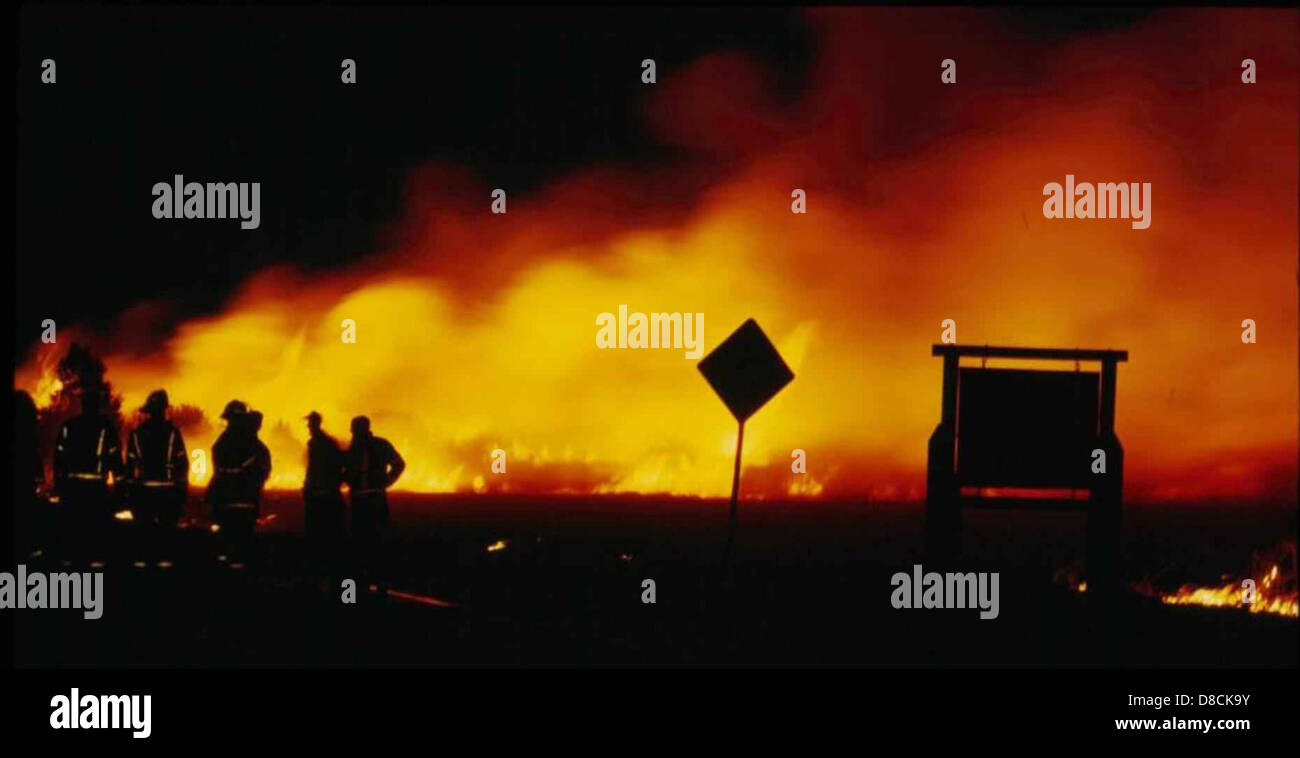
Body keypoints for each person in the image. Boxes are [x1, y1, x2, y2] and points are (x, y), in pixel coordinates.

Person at [52, 388, 123, 553]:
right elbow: (116, 461)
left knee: (74, 538)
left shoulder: (68, 427)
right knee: (95, 538)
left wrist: (59, 486)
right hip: (96, 492)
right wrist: (120, 491)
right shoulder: (106, 428)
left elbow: (59, 460)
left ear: (83, 405)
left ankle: (75, 571)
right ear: (98, 405)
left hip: (72, 491)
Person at [206, 400, 271, 539]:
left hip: (226, 502)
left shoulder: (222, 443)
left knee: (226, 541)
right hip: (246, 502)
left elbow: (219, 471)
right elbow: (264, 470)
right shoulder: (256, 445)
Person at [126, 389, 189, 529]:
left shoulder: (137, 434)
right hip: (168, 495)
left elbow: (129, 466)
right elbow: (182, 464)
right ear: (164, 409)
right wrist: (182, 492)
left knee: (145, 538)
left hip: (143, 494)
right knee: (166, 538)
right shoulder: (173, 433)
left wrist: (129, 492)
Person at [343, 416, 405, 547]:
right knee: (360, 537)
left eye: (354, 430)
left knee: (376, 536)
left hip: (374, 498)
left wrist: (386, 482)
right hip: (359, 498)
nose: (353, 433)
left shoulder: (380, 445)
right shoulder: (354, 448)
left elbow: (399, 464)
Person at [303, 411, 346, 543]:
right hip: (318, 493)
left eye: (311, 424)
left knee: (326, 532)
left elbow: (331, 466)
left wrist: (326, 486)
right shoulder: (315, 443)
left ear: (317, 424)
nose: (309, 428)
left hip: (325, 495)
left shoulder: (325, 444)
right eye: (309, 425)